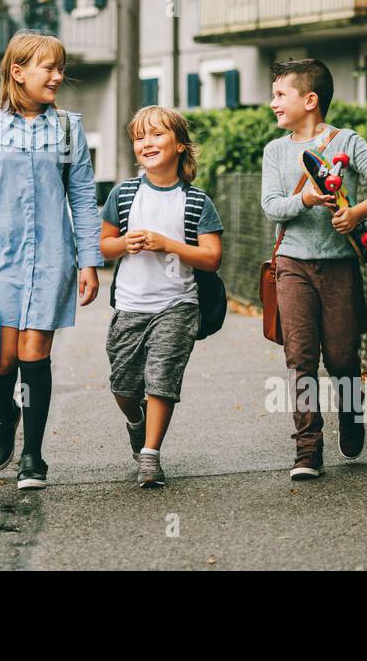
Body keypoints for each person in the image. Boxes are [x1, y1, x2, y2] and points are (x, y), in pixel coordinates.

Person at [0, 31, 102, 490]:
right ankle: (4, 416)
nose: (58, 76)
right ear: (18, 72)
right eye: (48, 68)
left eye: (61, 68)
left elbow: (82, 195)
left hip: (53, 257)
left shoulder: (66, 128)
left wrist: (89, 260)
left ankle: (34, 457)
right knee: (1, 359)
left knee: (34, 354)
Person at [261, 59, 367, 480]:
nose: (273, 103)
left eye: (280, 94)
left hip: (340, 265)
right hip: (292, 265)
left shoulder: (347, 142)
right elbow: (271, 206)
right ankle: (307, 450)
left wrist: (356, 213)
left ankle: (351, 412)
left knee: (342, 357)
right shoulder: (275, 151)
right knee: (301, 357)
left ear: (310, 99)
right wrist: (305, 201)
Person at [99, 106, 223, 487]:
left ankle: (150, 456)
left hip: (178, 304)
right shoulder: (123, 194)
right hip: (131, 306)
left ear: (180, 146)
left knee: (161, 381)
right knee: (123, 386)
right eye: (139, 138)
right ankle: (136, 422)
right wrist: (122, 243)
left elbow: (211, 257)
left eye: (156, 135)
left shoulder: (197, 201)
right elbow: (102, 246)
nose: (146, 143)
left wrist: (168, 244)